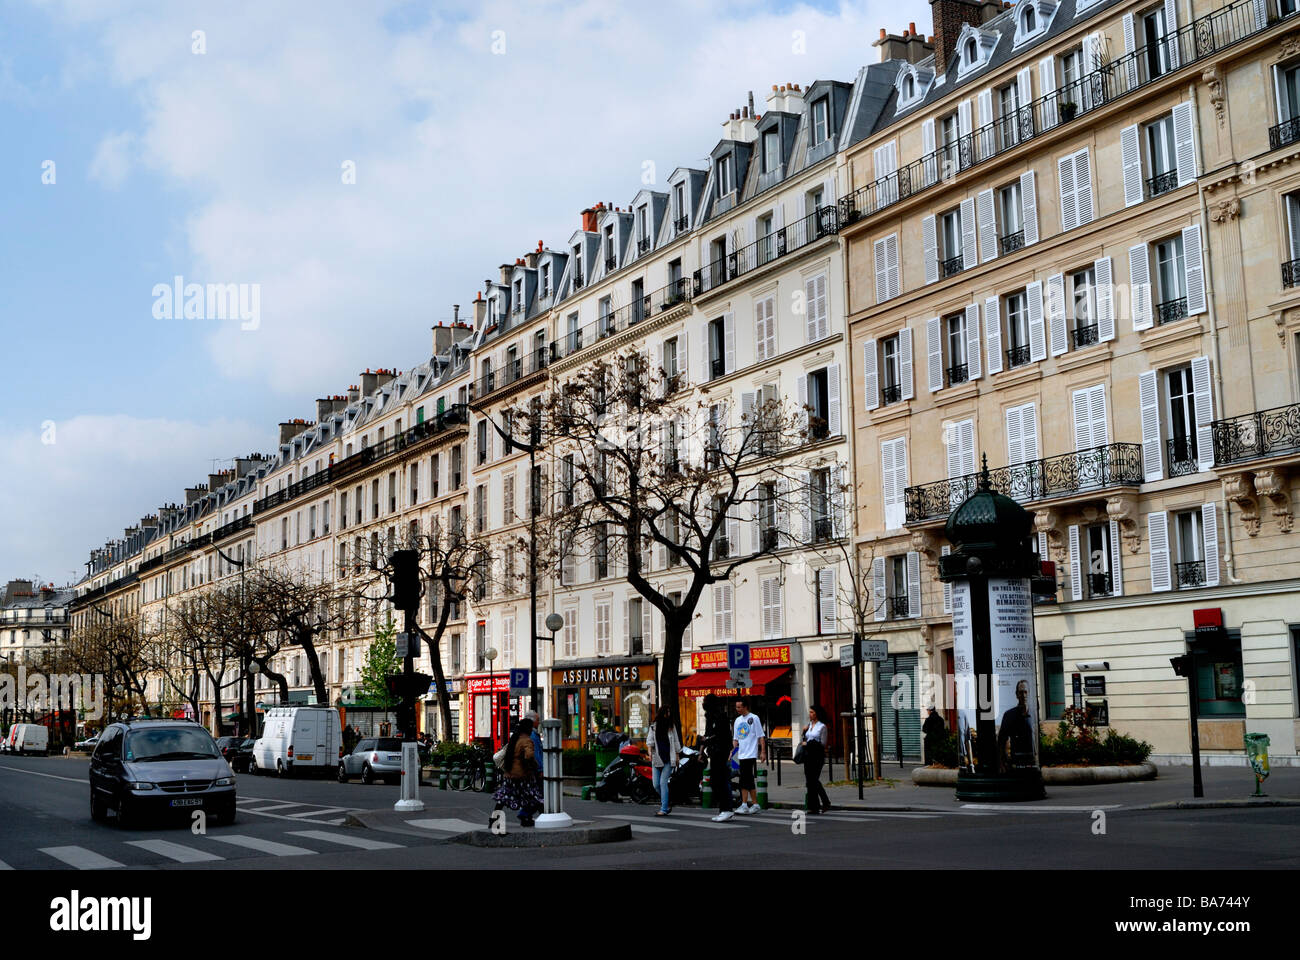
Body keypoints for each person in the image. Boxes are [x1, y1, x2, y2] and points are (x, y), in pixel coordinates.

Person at [492, 717, 543, 826]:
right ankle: (541, 818)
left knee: (503, 799)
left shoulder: (515, 738)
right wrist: (534, 766)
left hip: (509, 774)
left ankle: (493, 821)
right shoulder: (527, 740)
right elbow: (529, 755)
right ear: (528, 728)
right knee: (534, 796)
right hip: (523, 775)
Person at [704, 695, 737, 822]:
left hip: (720, 752)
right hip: (714, 752)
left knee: (721, 780)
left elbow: (721, 735)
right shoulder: (710, 716)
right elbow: (709, 734)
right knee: (716, 781)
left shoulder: (719, 717)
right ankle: (723, 809)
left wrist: (708, 739)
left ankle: (727, 809)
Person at [731, 698, 765, 814]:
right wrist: (733, 751)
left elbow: (760, 736)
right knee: (747, 779)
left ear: (745, 707)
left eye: (739, 707)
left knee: (745, 778)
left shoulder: (754, 718)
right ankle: (753, 804)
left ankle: (746, 804)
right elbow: (735, 738)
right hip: (741, 753)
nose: (737, 709)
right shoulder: (737, 721)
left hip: (750, 753)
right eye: (736, 707)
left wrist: (763, 751)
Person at [997, 680, 1035, 772]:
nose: (1023, 695)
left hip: (1032, 762)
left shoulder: (1035, 714)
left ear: (1029, 693)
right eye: (1021, 692)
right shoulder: (1009, 715)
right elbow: (1001, 741)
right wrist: (1003, 762)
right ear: (1017, 694)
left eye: (1026, 692)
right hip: (1015, 763)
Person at [649, 706, 680, 816]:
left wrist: (677, 755)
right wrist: (650, 753)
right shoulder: (654, 726)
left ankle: (664, 808)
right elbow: (650, 741)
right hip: (657, 757)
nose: (668, 715)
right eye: (667, 712)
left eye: (669, 713)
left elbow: (676, 741)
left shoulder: (671, 726)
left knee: (663, 783)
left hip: (668, 757)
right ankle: (667, 802)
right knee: (656, 784)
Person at [800, 705, 832, 814]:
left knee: (813, 780)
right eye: (809, 712)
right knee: (810, 781)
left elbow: (823, 743)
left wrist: (808, 743)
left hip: (817, 756)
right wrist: (804, 732)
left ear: (817, 714)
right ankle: (814, 806)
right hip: (808, 756)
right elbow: (804, 740)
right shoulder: (809, 726)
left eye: (812, 712)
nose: (810, 714)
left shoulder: (822, 727)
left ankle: (825, 802)